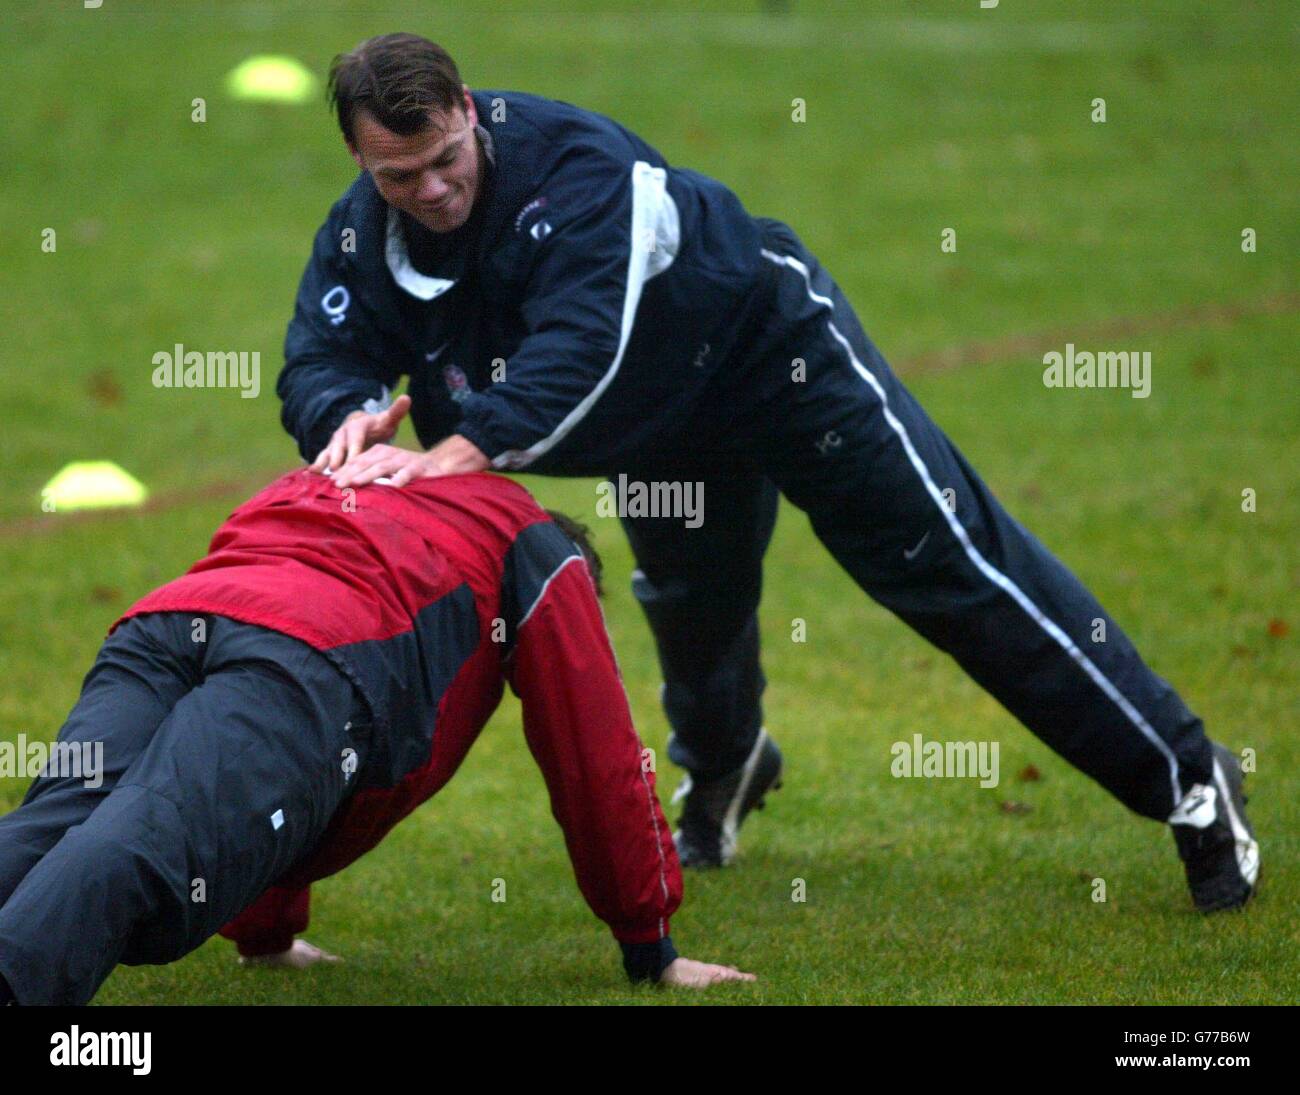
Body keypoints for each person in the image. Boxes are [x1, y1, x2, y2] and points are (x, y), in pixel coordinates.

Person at [280, 34, 1258, 909]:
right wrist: (348, 419)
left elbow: (579, 348)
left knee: (950, 570)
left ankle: (1187, 776)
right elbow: (320, 359)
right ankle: (726, 767)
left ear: (467, 113)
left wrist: (454, 453)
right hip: (654, 430)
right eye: (398, 177)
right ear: (363, 162)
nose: (431, 192)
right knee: (691, 611)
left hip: (771, 358)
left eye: (445, 160)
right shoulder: (364, 228)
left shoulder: (579, 171)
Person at [0, 469, 754, 1006]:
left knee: (53, 823)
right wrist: (648, 938)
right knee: (140, 844)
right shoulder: (530, 536)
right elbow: (597, 751)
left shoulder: (347, 472)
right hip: (311, 651)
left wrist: (266, 934)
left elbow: (279, 790)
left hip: (166, 620)